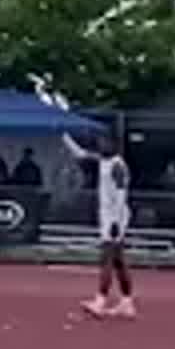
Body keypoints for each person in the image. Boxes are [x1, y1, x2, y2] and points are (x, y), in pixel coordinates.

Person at [62, 132, 136, 320]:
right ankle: (127, 302)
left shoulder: (117, 166)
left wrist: (115, 223)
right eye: (100, 142)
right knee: (118, 261)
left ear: (115, 144)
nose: (101, 144)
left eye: (105, 141)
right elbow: (80, 154)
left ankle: (100, 300)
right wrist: (65, 137)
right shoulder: (103, 160)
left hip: (115, 216)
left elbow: (121, 196)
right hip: (108, 214)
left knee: (107, 258)